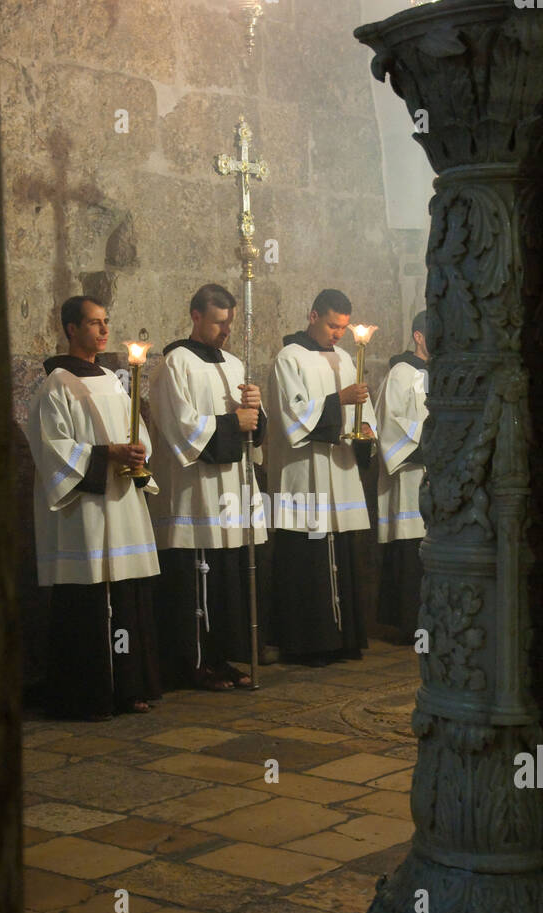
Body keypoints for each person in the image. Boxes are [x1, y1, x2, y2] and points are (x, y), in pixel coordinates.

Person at [25, 295, 161, 720]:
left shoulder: (112, 380)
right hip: (84, 509)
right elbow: (52, 449)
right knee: (87, 600)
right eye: (94, 323)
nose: (104, 331)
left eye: (106, 322)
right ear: (71, 329)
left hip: (121, 502)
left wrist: (136, 452)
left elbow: (136, 431)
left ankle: (129, 687)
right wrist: (107, 455)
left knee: (125, 595)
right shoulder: (56, 385)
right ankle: (89, 694)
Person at [147, 283, 267, 691]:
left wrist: (255, 410)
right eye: (218, 323)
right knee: (195, 580)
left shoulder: (234, 365)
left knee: (224, 582)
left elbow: (255, 432)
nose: (226, 331)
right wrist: (236, 423)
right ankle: (190, 663)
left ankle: (219, 658)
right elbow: (182, 429)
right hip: (193, 492)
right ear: (196, 316)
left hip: (229, 491)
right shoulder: (174, 364)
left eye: (229, 322)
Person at [267, 288, 376, 666]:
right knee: (306, 558)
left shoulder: (345, 358)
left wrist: (367, 429)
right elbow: (293, 415)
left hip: (339, 470)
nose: (338, 334)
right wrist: (339, 400)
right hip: (304, 471)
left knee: (341, 551)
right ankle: (308, 644)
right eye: (332, 325)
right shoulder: (289, 358)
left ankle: (344, 639)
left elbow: (363, 409)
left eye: (343, 327)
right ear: (313, 316)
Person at [375, 312, 430, 642]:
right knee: (411, 551)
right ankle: (411, 623)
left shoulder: (439, 373)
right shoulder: (401, 373)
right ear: (418, 336)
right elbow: (388, 422)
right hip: (410, 477)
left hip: (435, 478)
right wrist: (430, 441)